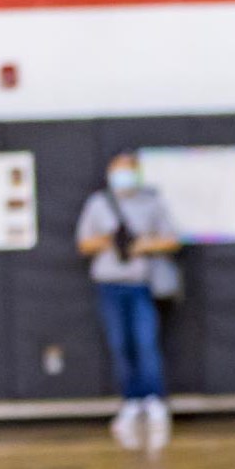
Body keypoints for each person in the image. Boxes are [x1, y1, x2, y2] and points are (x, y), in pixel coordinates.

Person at [76, 149, 180, 451]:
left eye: (128, 170)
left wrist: (140, 244)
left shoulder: (150, 203)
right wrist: (111, 239)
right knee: (121, 344)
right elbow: (84, 242)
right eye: (118, 171)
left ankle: (154, 399)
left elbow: (171, 238)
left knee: (146, 342)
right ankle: (131, 401)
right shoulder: (99, 204)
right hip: (109, 285)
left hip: (140, 284)